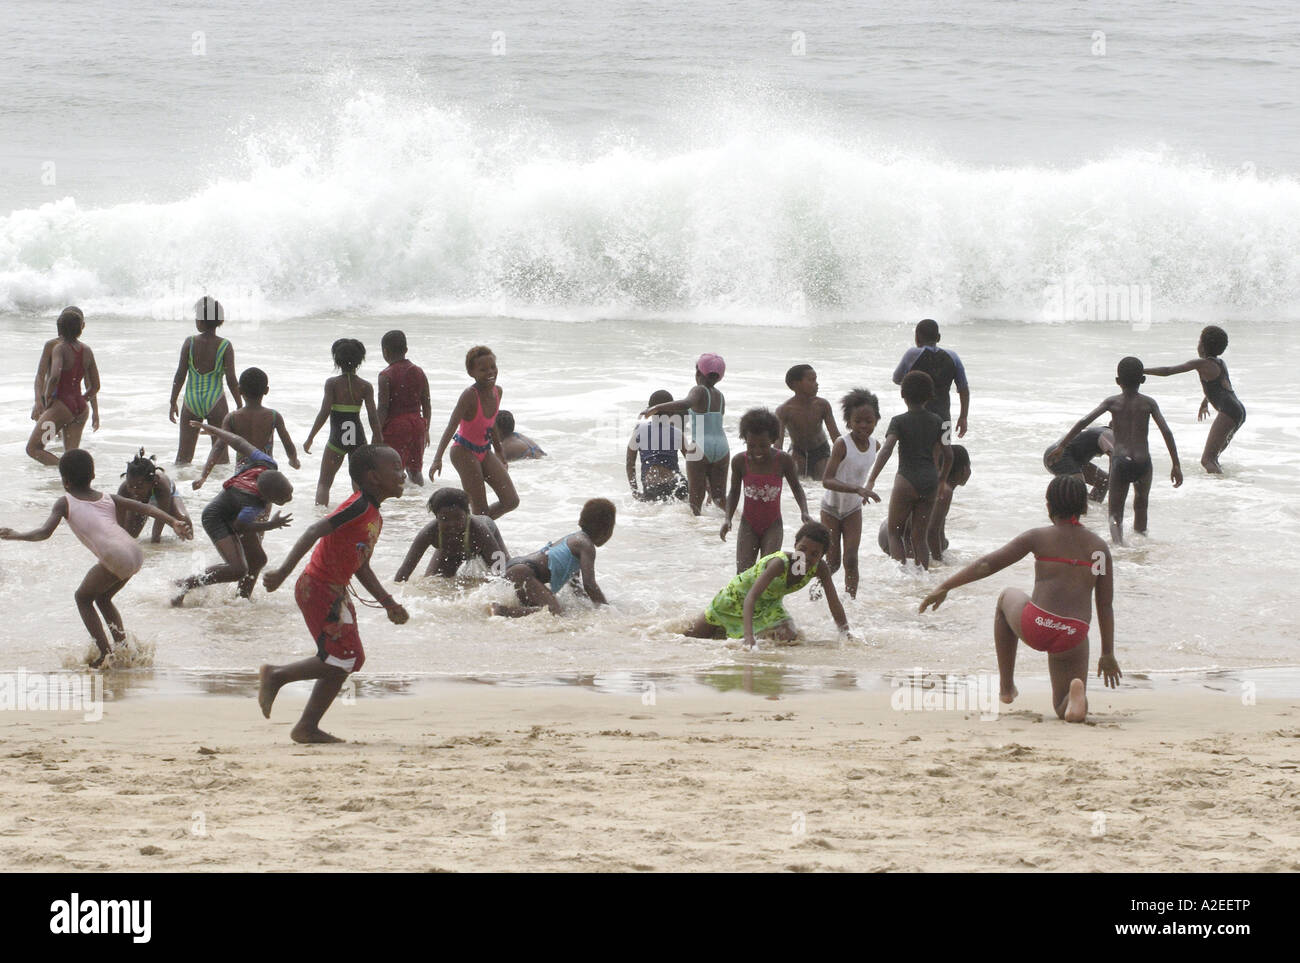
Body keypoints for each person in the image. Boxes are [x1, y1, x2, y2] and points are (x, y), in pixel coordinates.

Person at [919, 476, 1120, 722]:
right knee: (1060, 702)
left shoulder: (1038, 537)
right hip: (1073, 633)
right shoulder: (1099, 548)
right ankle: (1075, 700)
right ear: (1084, 507)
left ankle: (1006, 686)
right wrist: (1107, 653)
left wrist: (946, 586)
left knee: (1005, 597)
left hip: (1038, 625)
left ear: (1049, 506)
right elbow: (1105, 604)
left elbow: (987, 564)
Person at [259, 446, 409, 743]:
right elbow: (315, 530)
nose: (402, 472)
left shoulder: (373, 515)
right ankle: (276, 676)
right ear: (373, 477)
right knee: (343, 657)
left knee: (350, 658)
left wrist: (388, 603)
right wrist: (281, 572)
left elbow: (360, 565)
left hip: (333, 591)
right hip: (318, 589)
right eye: (395, 467)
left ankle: (306, 727)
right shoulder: (358, 506)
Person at [0, 450, 191, 667]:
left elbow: (44, 532)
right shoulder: (107, 497)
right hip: (135, 552)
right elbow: (146, 507)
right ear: (93, 475)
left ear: (65, 480)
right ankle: (123, 648)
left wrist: (16, 535)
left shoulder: (64, 502)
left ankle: (104, 654)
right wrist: (173, 522)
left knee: (82, 598)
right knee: (102, 598)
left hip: (116, 556)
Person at [1049, 357, 1182, 545]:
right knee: (1141, 505)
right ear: (1142, 380)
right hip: (1144, 462)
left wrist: (1062, 446)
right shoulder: (1149, 403)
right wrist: (1176, 464)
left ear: (1118, 381)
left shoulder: (1112, 402)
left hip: (1121, 462)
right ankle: (1141, 545)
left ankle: (1119, 548)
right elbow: (1166, 432)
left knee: (1115, 514)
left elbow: (1083, 422)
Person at [172, 423, 294, 604]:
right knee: (238, 569)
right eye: (282, 498)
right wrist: (272, 525)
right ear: (267, 498)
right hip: (216, 518)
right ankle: (185, 584)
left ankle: (241, 599)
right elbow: (240, 526)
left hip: (233, 511)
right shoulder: (254, 503)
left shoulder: (267, 463)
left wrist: (213, 429)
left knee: (258, 559)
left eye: (289, 492)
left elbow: (238, 442)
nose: (289, 498)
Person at [684, 521, 851, 649]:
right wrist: (749, 638)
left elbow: (834, 603)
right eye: (803, 549)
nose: (806, 557)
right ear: (795, 545)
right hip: (735, 599)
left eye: (814, 554)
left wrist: (846, 633)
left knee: (790, 637)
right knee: (690, 640)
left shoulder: (820, 568)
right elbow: (751, 597)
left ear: (822, 556)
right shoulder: (779, 564)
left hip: (769, 605)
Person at [865, 371, 953, 570]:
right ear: (930, 396)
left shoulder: (898, 421)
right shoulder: (939, 421)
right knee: (919, 537)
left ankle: (901, 575)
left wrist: (872, 479)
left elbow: (887, 449)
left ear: (902, 394)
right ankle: (923, 575)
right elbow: (949, 455)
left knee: (894, 532)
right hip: (930, 480)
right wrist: (941, 480)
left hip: (906, 478)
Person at [430, 346, 519, 519]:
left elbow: (491, 422)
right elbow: (451, 426)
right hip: (463, 451)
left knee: (511, 501)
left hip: (484, 450)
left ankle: (470, 528)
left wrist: (499, 451)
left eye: (493, 367)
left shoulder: (497, 391)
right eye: (483, 369)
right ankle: (477, 532)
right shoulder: (469, 395)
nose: (490, 372)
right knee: (481, 511)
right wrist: (437, 458)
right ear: (472, 372)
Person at [1144, 325, 1245, 474]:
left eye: (1199, 341)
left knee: (1207, 460)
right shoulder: (1220, 363)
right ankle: (1222, 484)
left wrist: (1142, 370)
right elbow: (1223, 386)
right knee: (1214, 457)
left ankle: (1223, 487)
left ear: (1203, 347)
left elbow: (1168, 371)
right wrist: (1206, 401)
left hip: (1229, 411)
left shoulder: (1201, 364)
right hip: (1239, 410)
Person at [721, 407, 812, 573]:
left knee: (767, 572)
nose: (757, 451)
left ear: (773, 439)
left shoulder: (783, 460)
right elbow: (734, 492)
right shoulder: (739, 461)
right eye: (751, 445)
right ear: (744, 439)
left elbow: (797, 488)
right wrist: (727, 518)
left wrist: (804, 511)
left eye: (763, 446)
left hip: (773, 526)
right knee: (743, 574)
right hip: (748, 524)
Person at [492, 498, 615, 617]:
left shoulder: (576, 539)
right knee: (554, 612)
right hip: (525, 572)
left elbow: (575, 585)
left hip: (519, 568)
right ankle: (502, 611)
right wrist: (607, 610)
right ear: (605, 530)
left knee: (534, 606)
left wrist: (587, 606)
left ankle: (504, 610)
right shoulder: (586, 546)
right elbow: (590, 585)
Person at [641, 353, 728, 515]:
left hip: (700, 445)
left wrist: (656, 408)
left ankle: (697, 532)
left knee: (695, 500)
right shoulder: (720, 397)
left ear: (698, 372)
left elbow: (686, 403)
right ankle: (735, 519)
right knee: (719, 497)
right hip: (722, 446)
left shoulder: (699, 390)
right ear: (719, 377)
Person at [303, 339, 383, 506]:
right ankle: (364, 515)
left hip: (337, 438)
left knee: (324, 483)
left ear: (336, 360)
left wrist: (311, 437)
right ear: (360, 361)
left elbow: (324, 412)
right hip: (358, 439)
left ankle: (320, 518)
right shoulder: (365, 386)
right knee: (360, 486)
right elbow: (372, 416)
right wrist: (378, 438)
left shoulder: (332, 383)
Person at [192, 367, 300, 490]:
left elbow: (218, 447)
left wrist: (203, 477)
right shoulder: (274, 416)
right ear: (266, 390)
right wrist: (294, 460)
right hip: (266, 474)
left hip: (243, 474)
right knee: (264, 505)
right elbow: (288, 444)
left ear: (239, 390)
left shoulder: (232, 418)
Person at [819, 389, 881, 598]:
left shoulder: (875, 445)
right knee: (833, 562)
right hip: (831, 508)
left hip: (853, 509)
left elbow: (863, 471)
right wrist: (857, 489)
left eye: (869, 421)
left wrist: (865, 489)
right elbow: (826, 480)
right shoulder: (842, 444)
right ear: (848, 422)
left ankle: (850, 602)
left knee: (851, 560)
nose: (864, 426)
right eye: (858, 421)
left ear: (876, 420)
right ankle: (816, 593)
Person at [169, 296, 242, 466]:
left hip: (191, 401)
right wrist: (239, 405)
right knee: (221, 458)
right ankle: (217, 488)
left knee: (183, 458)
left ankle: (182, 487)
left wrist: (173, 400)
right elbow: (232, 379)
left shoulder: (190, 343)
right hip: (215, 401)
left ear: (200, 321)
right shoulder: (225, 345)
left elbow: (180, 375)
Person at [28, 308, 100, 466]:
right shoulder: (85, 350)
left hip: (58, 402)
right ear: (81, 327)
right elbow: (94, 386)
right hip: (78, 405)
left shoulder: (58, 348)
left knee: (34, 448)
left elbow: (53, 376)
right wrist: (38, 401)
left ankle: (63, 470)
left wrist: (47, 399)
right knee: (68, 452)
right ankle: (70, 480)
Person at [877, 445, 971, 564]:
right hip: (898, 537)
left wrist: (942, 547)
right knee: (916, 571)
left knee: (942, 545)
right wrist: (940, 562)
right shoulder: (945, 491)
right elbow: (932, 531)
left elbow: (938, 529)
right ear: (964, 469)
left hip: (888, 531)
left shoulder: (936, 484)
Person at [394, 487, 510, 580]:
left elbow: (501, 569)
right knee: (432, 582)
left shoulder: (479, 530)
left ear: (467, 514)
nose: (452, 524)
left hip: (486, 538)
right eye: (444, 519)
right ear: (436, 517)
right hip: (450, 551)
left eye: (458, 518)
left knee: (507, 573)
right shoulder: (429, 532)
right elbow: (404, 571)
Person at [892, 318, 969, 438]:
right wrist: (963, 417)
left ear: (917, 338)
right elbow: (963, 389)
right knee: (945, 451)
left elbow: (896, 379)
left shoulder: (912, 354)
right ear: (938, 337)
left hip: (917, 417)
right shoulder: (953, 357)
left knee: (919, 452)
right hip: (944, 417)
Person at [377, 330, 432, 484]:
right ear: (406, 350)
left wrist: (377, 432)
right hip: (417, 425)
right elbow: (426, 403)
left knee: (394, 470)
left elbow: (383, 408)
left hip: (396, 427)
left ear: (385, 352)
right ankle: (418, 502)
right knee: (415, 470)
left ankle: (398, 506)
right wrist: (426, 428)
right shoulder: (419, 371)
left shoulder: (385, 375)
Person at [776, 364, 840, 479]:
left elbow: (835, 436)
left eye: (816, 380)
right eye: (811, 380)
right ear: (796, 384)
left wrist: (847, 455)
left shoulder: (822, 405)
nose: (816, 384)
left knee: (822, 482)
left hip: (821, 450)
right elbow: (778, 443)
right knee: (796, 481)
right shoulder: (784, 410)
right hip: (798, 450)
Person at [117, 449, 193, 543]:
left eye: (139, 487)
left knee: (185, 525)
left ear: (154, 481)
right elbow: (118, 523)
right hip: (140, 503)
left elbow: (161, 518)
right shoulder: (124, 490)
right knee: (129, 534)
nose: (134, 491)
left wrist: (155, 545)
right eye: (131, 486)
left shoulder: (162, 487)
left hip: (169, 497)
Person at [627, 390, 687, 501]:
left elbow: (630, 462)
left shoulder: (639, 430)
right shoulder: (677, 433)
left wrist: (634, 491)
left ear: (649, 411)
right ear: (672, 411)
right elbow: (692, 461)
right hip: (675, 484)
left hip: (651, 486)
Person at [1044, 425, 1112, 502]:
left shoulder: (1101, 430)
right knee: (1079, 494)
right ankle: (1082, 508)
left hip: (1062, 455)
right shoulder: (1110, 435)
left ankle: (1092, 508)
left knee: (1104, 481)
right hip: (1061, 456)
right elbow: (1115, 464)